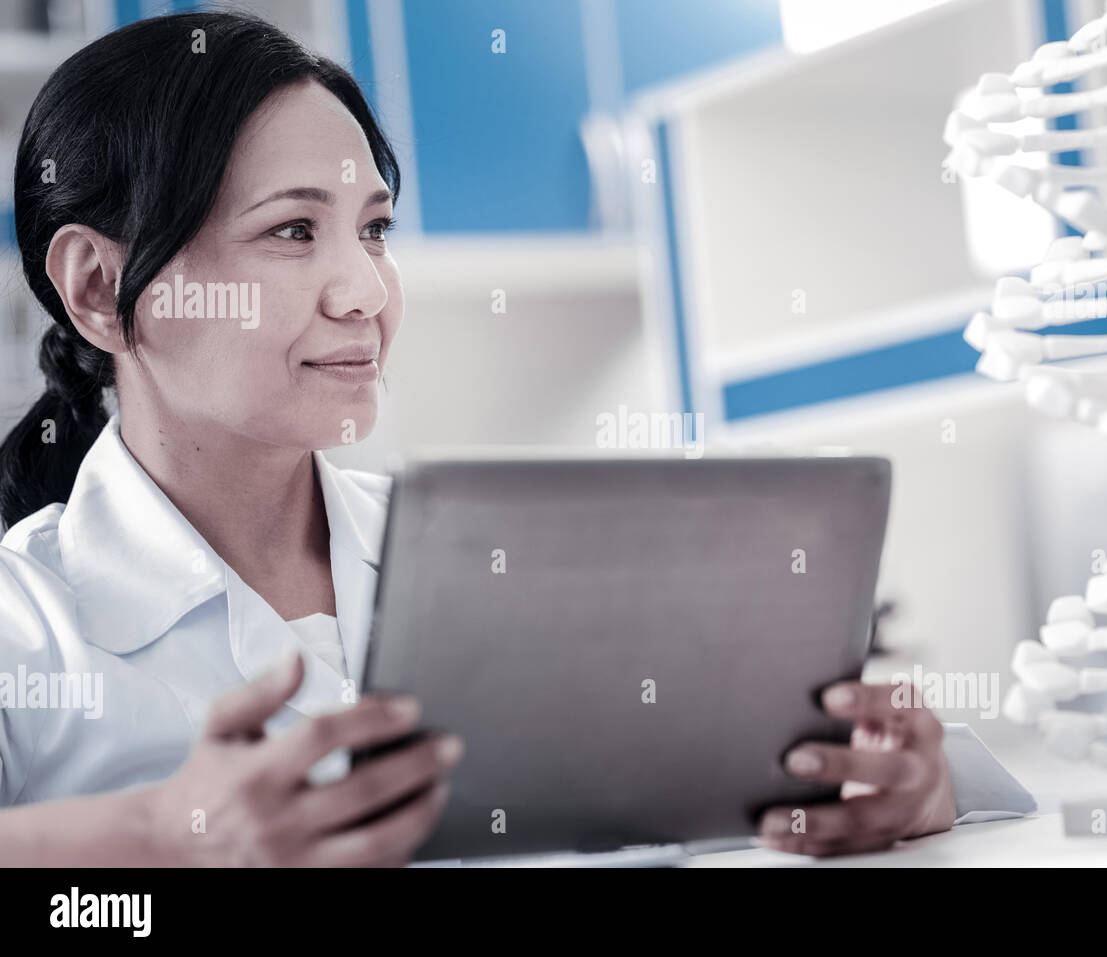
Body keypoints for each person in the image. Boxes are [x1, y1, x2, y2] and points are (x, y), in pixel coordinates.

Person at [0, 11, 1032, 865]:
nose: (365, 291)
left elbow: (678, 821)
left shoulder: (505, 557)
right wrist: (163, 835)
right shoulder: (24, 627)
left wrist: (903, 789)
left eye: (374, 230)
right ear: (99, 289)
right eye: (291, 230)